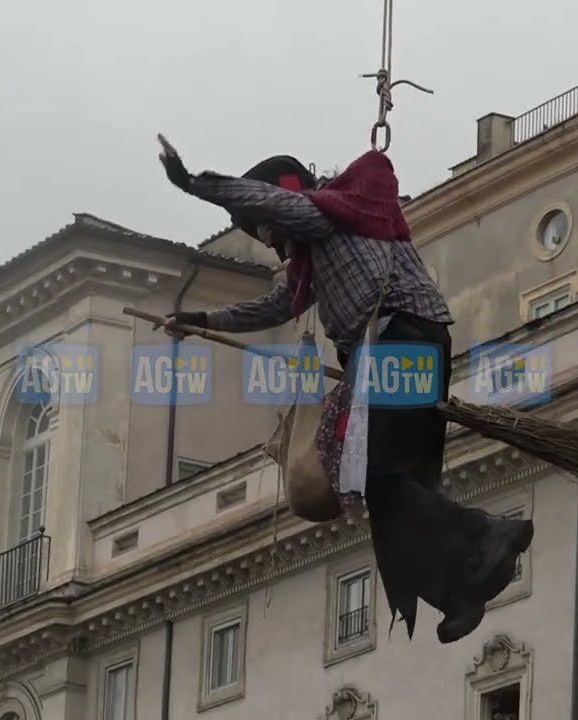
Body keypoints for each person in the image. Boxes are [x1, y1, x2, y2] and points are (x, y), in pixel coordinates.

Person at [153, 134, 534, 644]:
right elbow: (272, 307)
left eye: (260, 228)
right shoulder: (314, 251)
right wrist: (203, 319)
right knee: (399, 488)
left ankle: (486, 533)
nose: (265, 238)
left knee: (378, 476)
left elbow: (276, 204)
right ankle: (459, 589)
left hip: (401, 341)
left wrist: (194, 184)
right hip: (405, 345)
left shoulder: (324, 215)